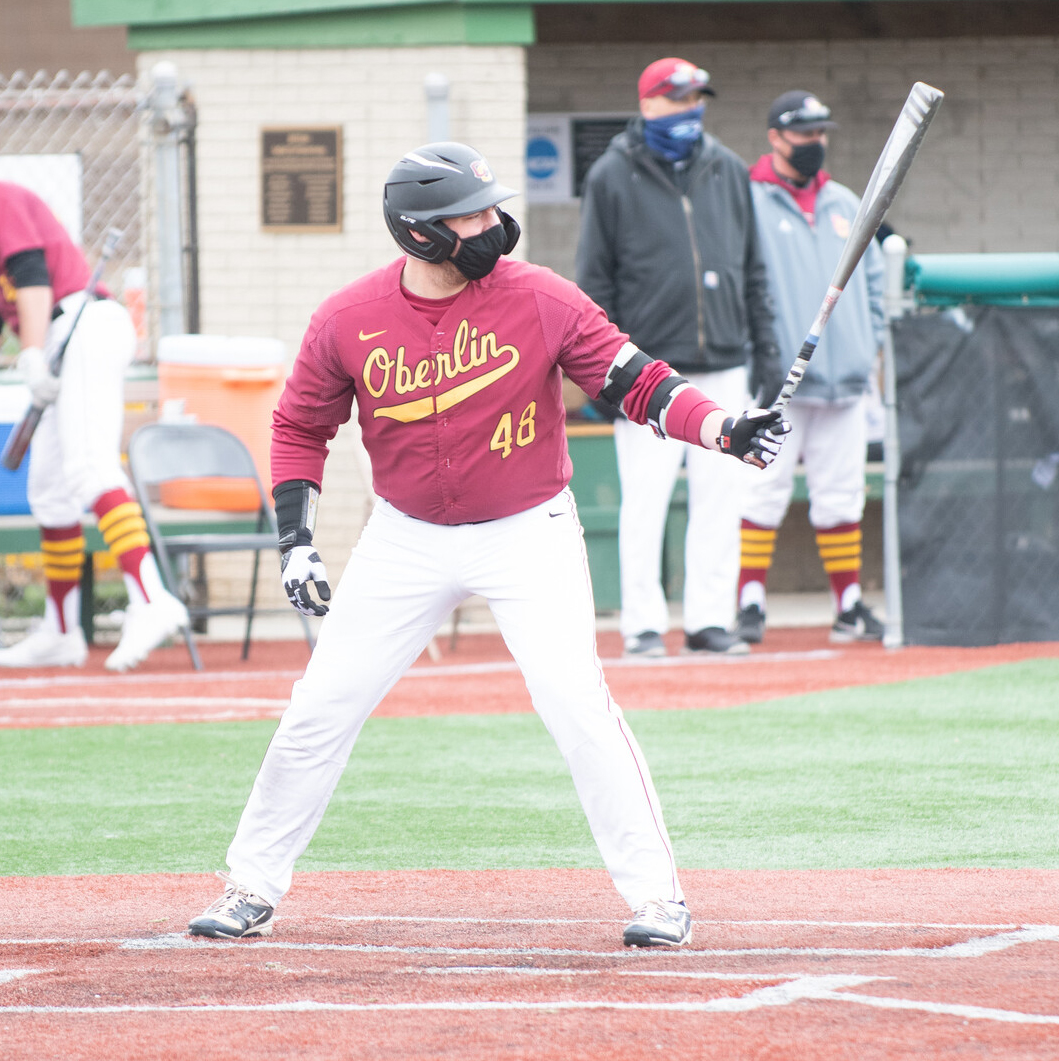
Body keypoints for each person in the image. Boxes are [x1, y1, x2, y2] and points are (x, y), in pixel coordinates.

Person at [187, 142, 788, 947]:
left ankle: (658, 898)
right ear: (421, 233)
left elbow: (634, 379)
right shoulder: (346, 317)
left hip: (526, 529)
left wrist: (720, 426)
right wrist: (296, 541)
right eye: (469, 214)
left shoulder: (541, 297)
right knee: (318, 709)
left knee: (578, 706)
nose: (491, 224)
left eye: (490, 207)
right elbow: (300, 424)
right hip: (404, 537)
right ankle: (250, 886)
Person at [0, 141, 188, 671]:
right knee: (48, 489)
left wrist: (36, 356)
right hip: (63, 338)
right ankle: (62, 630)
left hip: (80, 326)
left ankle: (152, 599)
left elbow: (33, 279)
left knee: (90, 467)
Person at [576, 57, 784, 658]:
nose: (691, 109)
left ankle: (708, 619)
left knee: (722, 500)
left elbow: (754, 270)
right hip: (645, 372)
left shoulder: (727, 168)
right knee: (646, 501)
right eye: (678, 97)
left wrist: (764, 350)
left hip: (724, 358)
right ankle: (643, 623)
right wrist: (604, 372)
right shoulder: (612, 175)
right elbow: (595, 283)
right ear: (648, 104)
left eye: (697, 98)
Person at [735, 91, 886, 645]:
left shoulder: (846, 201)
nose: (814, 144)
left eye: (821, 134)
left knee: (842, 495)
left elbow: (872, 286)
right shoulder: (747, 199)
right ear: (776, 137)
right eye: (805, 135)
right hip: (779, 383)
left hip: (844, 376)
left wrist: (871, 344)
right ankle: (749, 600)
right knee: (761, 490)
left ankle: (848, 604)